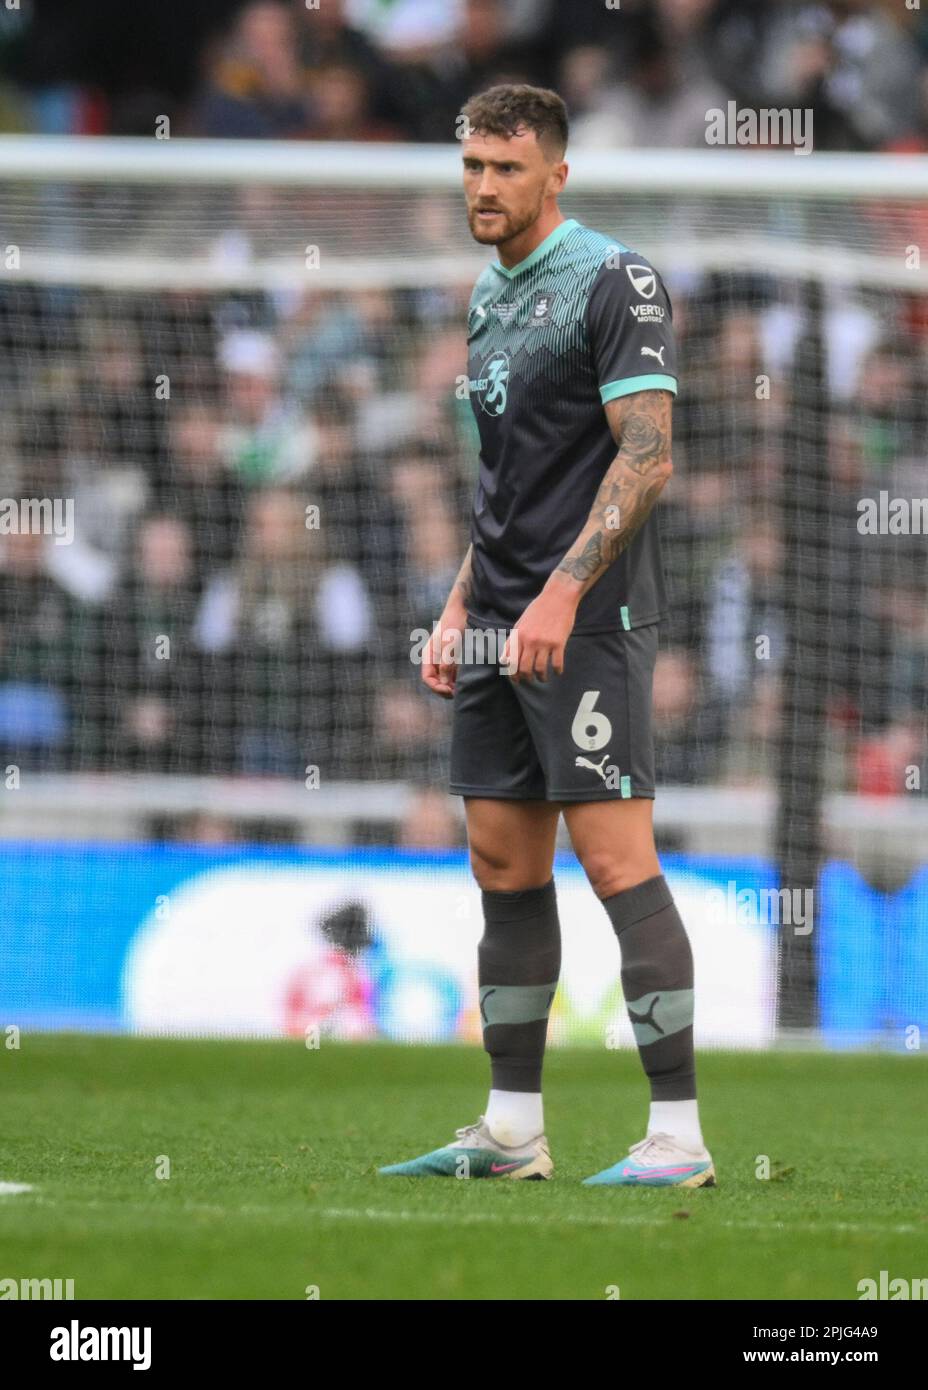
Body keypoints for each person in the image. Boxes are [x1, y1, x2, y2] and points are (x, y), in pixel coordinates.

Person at [379, 83, 715, 1188]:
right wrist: (458, 606)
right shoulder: (488, 296)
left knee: (616, 860)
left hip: (588, 618)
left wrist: (561, 596)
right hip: (497, 620)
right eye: (472, 165)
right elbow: (508, 484)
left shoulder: (614, 279)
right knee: (499, 864)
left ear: (555, 174)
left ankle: (679, 1137)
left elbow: (648, 454)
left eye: (506, 168)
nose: (483, 186)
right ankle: (511, 1128)